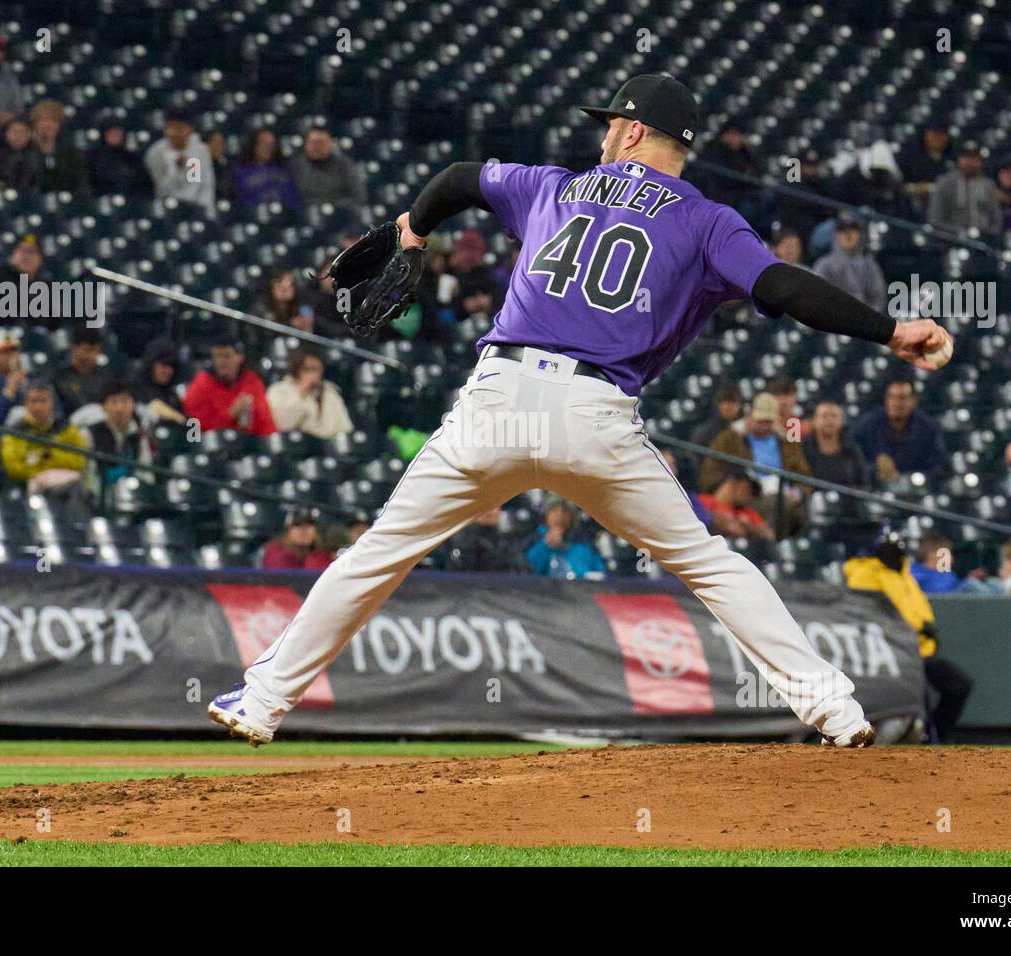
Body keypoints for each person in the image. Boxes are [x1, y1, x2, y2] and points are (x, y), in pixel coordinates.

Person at [210, 72, 953, 748]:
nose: (601, 135)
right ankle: (834, 709)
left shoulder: (551, 187)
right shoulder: (708, 221)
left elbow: (459, 178)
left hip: (498, 403)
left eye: (609, 124)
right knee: (710, 566)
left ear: (631, 132)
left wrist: (412, 231)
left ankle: (264, 700)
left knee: (377, 553)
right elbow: (786, 288)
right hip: (595, 413)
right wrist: (890, 331)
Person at [843, 529, 972, 742]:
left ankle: (933, 737)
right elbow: (874, 614)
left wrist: (928, 628)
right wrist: (919, 626)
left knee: (959, 685)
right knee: (919, 702)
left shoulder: (904, 571)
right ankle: (925, 739)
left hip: (919, 649)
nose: (894, 555)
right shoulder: (865, 573)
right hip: (892, 652)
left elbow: (916, 604)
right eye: (888, 550)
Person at [0, 381, 89, 518]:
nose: (38, 406)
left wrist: (50, 455)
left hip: (65, 481)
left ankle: (73, 528)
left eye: (43, 400)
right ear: (26, 404)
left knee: (76, 489)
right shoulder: (15, 432)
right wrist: (41, 470)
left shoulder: (67, 428)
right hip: (31, 486)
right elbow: (13, 469)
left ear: (51, 403)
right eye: (33, 401)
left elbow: (79, 461)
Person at [699, 393, 811, 495]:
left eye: (768, 422)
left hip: (783, 493)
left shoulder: (787, 442)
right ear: (749, 415)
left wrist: (797, 492)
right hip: (747, 494)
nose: (764, 426)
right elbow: (710, 471)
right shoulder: (729, 439)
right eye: (760, 421)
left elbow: (803, 474)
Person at [851, 378, 946, 483]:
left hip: (915, 487)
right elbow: (850, 456)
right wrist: (874, 468)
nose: (896, 403)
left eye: (902, 398)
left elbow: (937, 465)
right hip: (873, 485)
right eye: (891, 397)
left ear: (913, 401)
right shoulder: (867, 424)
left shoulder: (928, 429)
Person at [182, 337, 277, 436]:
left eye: (227, 356)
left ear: (240, 358)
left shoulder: (252, 382)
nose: (221, 361)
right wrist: (231, 414)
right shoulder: (200, 384)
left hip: (250, 445)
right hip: (212, 446)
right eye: (217, 356)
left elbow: (265, 422)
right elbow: (195, 430)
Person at [265, 346, 353, 438]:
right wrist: (301, 393)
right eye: (308, 369)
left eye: (317, 369)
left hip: (326, 447)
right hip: (294, 446)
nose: (313, 375)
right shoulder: (278, 391)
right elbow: (281, 425)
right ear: (297, 369)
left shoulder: (330, 392)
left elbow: (345, 428)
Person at [84, 380, 152, 498]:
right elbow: (89, 472)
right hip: (101, 494)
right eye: (114, 402)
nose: (120, 408)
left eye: (125, 402)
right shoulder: (90, 433)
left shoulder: (139, 435)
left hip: (133, 492)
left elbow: (145, 470)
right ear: (104, 406)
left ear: (133, 405)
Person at [812, 213, 886, 312]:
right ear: (836, 235)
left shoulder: (870, 265)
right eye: (842, 229)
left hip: (865, 322)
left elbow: (879, 300)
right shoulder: (824, 264)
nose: (848, 234)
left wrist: (867, 319)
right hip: (832, 322)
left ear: (860, 234)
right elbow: (818, 298)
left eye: (853, 228)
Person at [144, 107, 215, 209]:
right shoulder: (155, 153)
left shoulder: (199, 151)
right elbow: (160, 188)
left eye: (179, 128)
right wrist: (177, 168)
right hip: (166, 207)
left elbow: (202, 185)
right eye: (170, 128)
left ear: (190, 129)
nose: (174, 133)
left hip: (195, 207)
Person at [927, 141, 1002, 235]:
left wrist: (990, 235)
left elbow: (996, 219)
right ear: (959, 159)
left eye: (974, 158)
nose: (970, 162)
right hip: (952, 238)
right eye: (966, 157)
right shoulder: (944, 183)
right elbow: (935, 219)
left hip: (984, 237)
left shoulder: (989, 185)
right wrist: (959, 232)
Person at [525, 498, 606, 579]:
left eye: (565, 512)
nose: (559, 516)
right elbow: (528, 570)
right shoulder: (534, 540)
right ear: (546, 516)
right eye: (554, 511)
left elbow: (599, 571)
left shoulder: (584, 544)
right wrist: (545, 546)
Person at [288, 126, 367, 209]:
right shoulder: (293, 165)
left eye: (321, 143)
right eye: (313, 142)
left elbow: (359, 197)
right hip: (302, 214)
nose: (317, 147)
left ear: (330, 144)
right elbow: (286, 195)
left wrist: (332, 207)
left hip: (339, 214)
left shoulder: (345, 165)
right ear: (305, 144)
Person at [0, 235, 50, 326]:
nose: (26, 256)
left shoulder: (46, 286)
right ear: (12, 255)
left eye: (32, 252)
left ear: (40, 259)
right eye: (22, 250)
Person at [49, 326, 114, 419]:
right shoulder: (58, 377)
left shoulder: (106, 377)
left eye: (95, 350)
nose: (91, 355)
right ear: (73, 348)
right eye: (87, 350)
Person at [30, 100, 91, 196]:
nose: (47, 125)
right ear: (34, 124)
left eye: (53, 120)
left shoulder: (73, 155)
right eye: (42, 120)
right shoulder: (24, 153)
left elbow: (81, 187)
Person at [802, 399, 867, 487]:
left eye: (834, 416)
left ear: (842, 422)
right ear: (813, 422)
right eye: (824, 416)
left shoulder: (851, 450)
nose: (829, 420)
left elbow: (862, 484)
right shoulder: (802, 449)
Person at [697, 468, 775, 542]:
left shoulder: (748, 512)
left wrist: (747, 527)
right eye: (748, 488)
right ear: (733, 483)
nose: (750, 496)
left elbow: (770, 536)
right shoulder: (702, 501)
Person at [0, 116, 43, 194]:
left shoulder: (34, 155)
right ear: (6, 133)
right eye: (15, 132)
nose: (18, 136)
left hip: (26, 197)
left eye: (23, 132)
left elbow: (37, 181)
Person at [233, 127, 300, 208]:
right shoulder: (240, 172)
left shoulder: (284, 170)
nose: (268, 147)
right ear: (254, 145)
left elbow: (293, 200)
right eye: (263, 143)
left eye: (272, 144)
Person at [443, 506, 525, 571]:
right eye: (486, 507)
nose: (490, 513)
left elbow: (516, 567)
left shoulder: (506, 539)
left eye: (494, 506)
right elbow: (458, 563)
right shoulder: (460, 536)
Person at [87, 115, 150, 197]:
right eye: (111, 133)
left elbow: (145, 185)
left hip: (131, 203)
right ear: (104, 134)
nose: (116, 136)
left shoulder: (133, 158)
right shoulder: (93, 157)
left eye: (118, 132)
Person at [899, 121, 951, 213]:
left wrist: (933, 188)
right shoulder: (910, 156)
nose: (937, 138)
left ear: (946, 137)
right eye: (933, 134)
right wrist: (917, 188)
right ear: (925, 135)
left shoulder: (951, 158)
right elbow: (899, 185)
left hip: (943, 205)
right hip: (911, 203)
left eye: (941, 135)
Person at [131, 337, 185, 423]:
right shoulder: (133, 390)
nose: (168, 371)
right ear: (151, 365)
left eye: (172, 366)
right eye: (164, 365)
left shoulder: (172, 395)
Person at [261, 511, 333, 571]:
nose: (304, 530)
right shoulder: (276, 552)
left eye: (309, 524)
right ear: (288, 531)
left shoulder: (321, 554)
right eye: (297, 525)